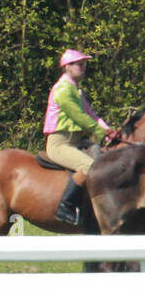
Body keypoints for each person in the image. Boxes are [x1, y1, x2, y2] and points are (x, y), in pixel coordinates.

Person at [43, 49, 111, 224]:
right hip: (60, 144)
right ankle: (64, 207)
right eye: (79, 64)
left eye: (84, 64)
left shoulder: (76, 91)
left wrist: (109, 131)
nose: (83, 67)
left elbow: (92, 115)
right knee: (90, 166)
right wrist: (101, 132)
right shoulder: (63, 90)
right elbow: (79, 117)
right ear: (67, 67)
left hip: (77, 140)